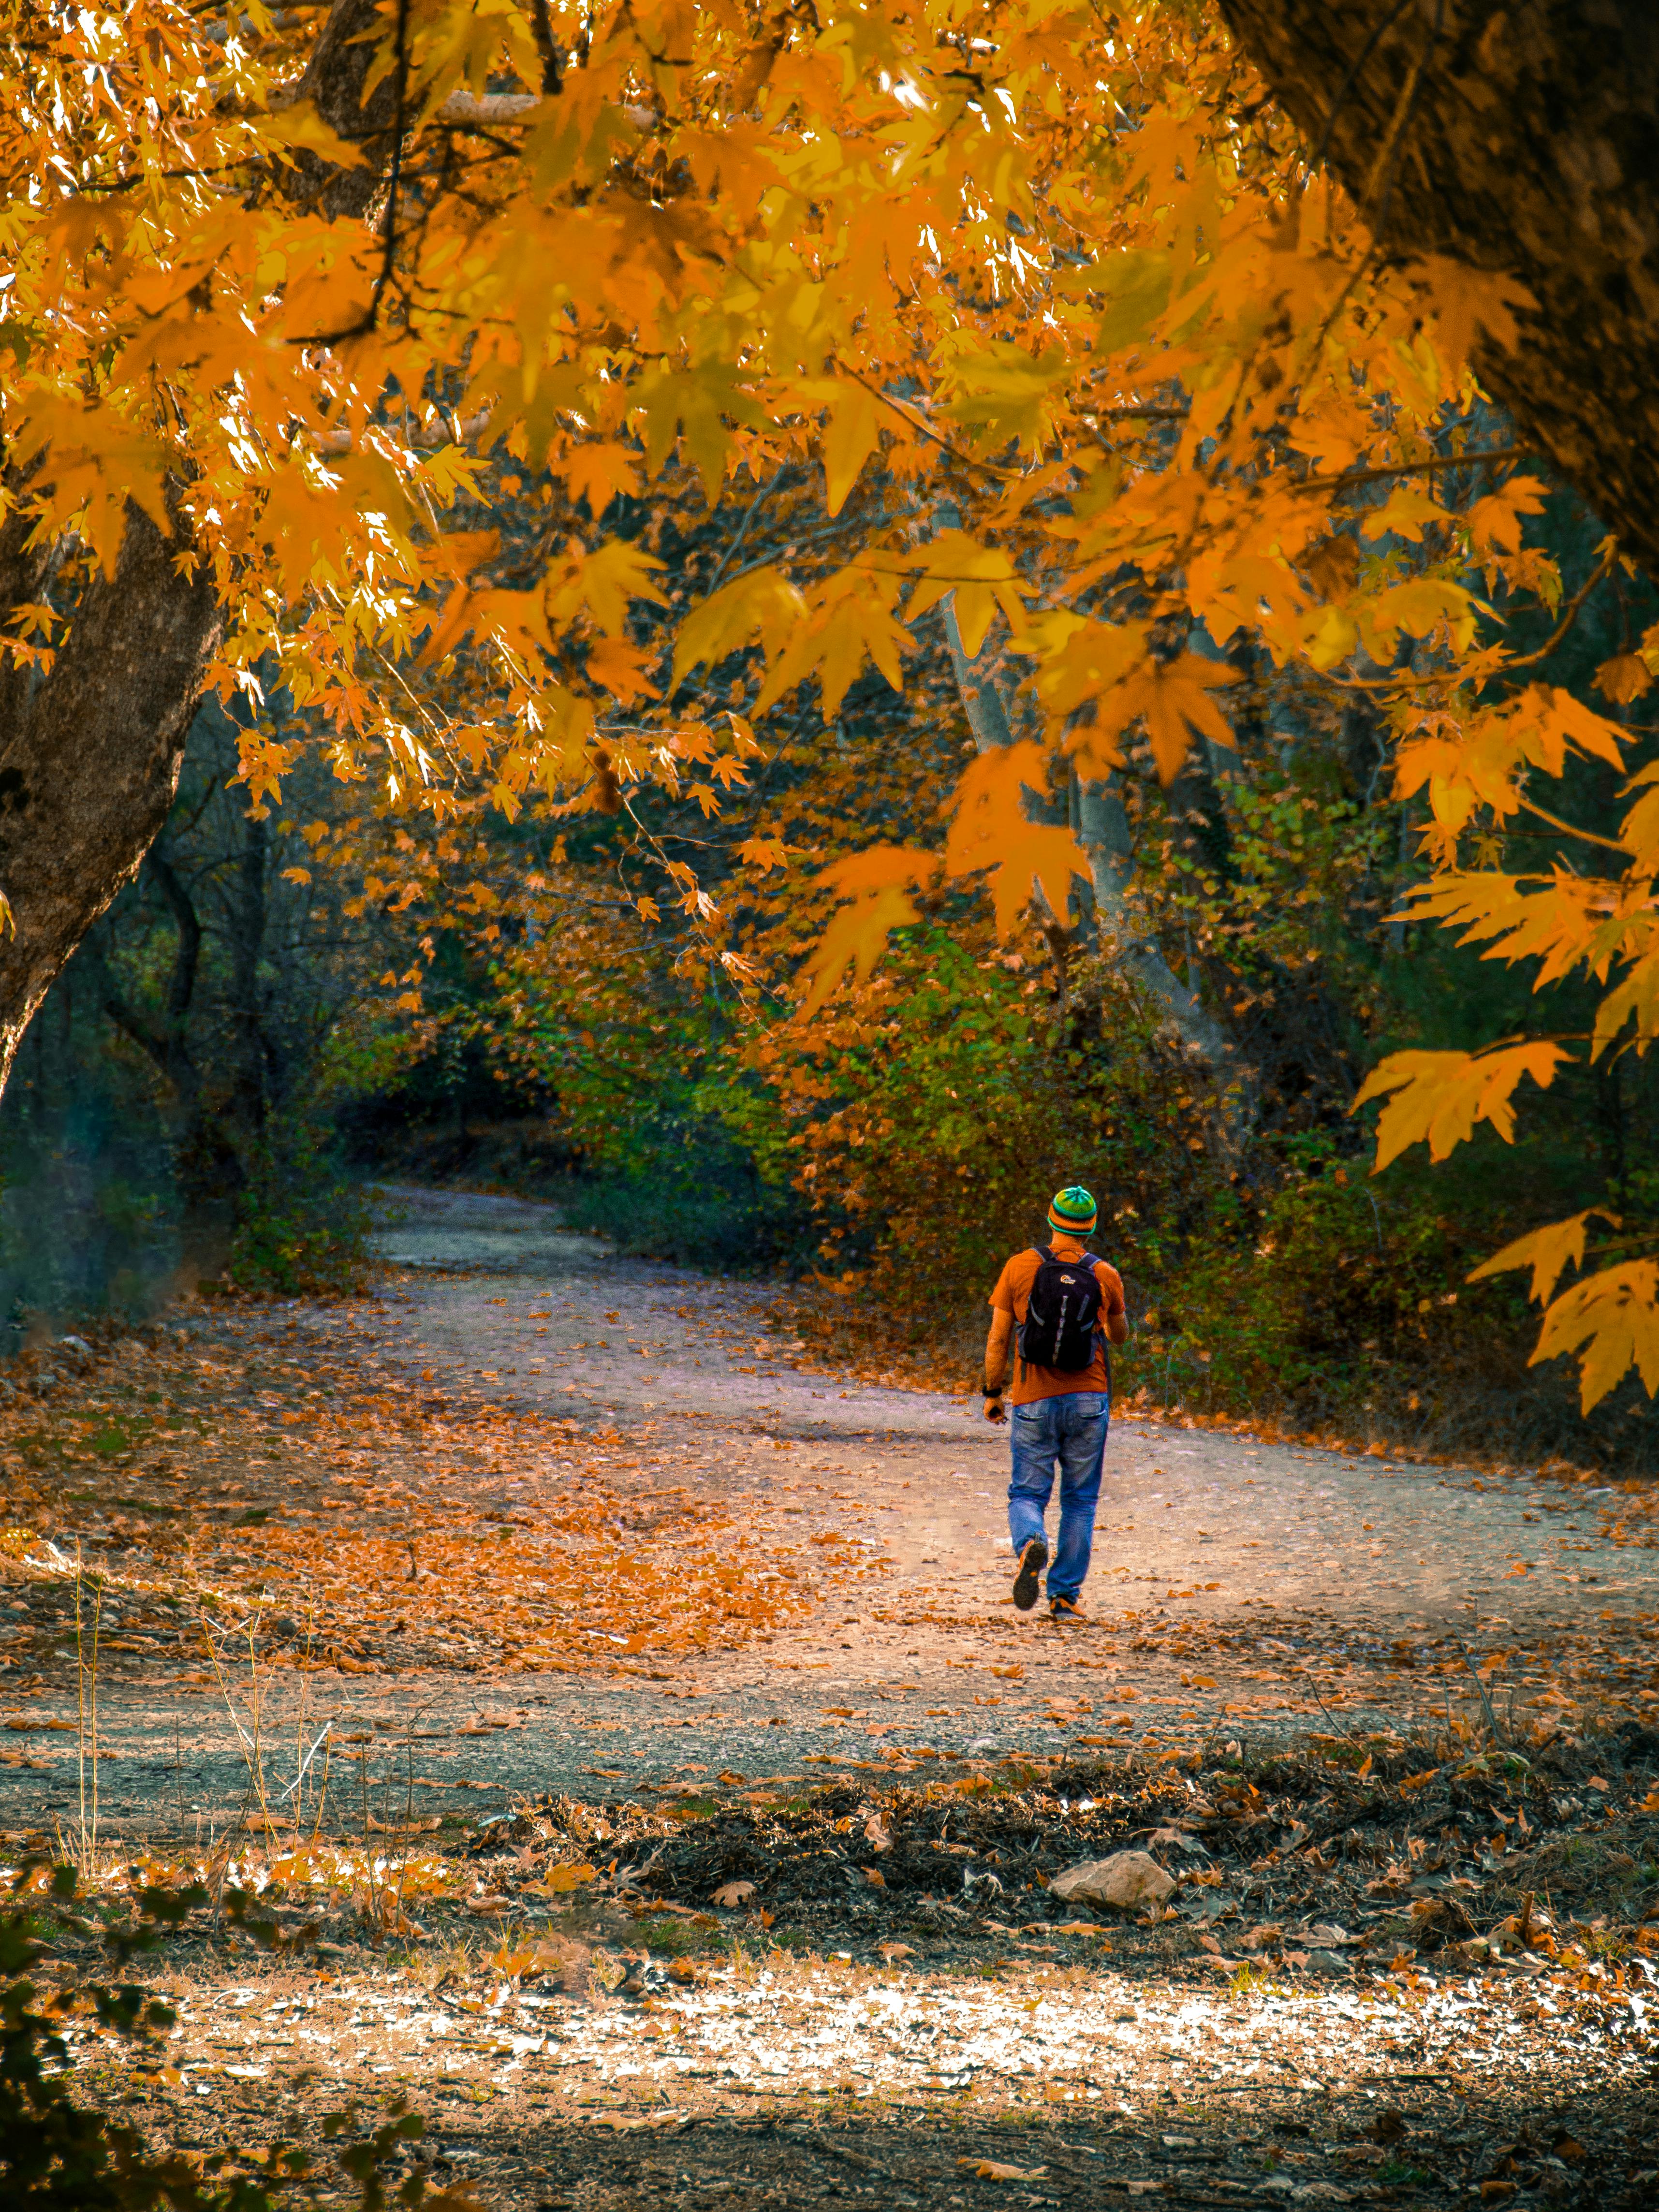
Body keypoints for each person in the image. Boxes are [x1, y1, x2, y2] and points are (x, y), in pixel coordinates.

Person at [983, 1185, 1129, 1625]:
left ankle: (1030, 1542)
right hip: (1089, 1397)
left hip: (1033, 1399)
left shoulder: (1019, 1266)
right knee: (1080, 1499)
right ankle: (1064, 1598)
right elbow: (1120, 1336)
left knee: (1028, 1492)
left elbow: (998, 1338)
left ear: (1050, 1219)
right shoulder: (1105, 1274)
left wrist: (992, 1391)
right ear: (1090, 1228)